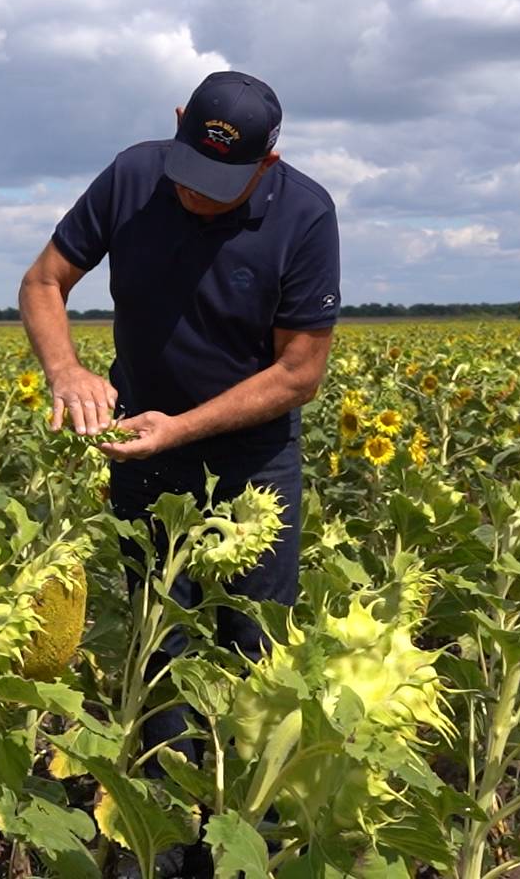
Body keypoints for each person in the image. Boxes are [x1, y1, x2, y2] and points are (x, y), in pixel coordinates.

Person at [17, 69, 339, 876]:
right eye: (190, 173)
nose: (197, 197)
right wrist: (68, 373)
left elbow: (299, 373)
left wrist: (182, 429)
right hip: (141, 450)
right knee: (155, 643)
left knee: (251, 647)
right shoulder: (134, 174)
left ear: (268, 164)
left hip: (250, 458)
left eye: (221, 186)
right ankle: (152, 833)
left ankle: (238, 835)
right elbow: (44, 281)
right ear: (175, 126)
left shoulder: (305, 214)